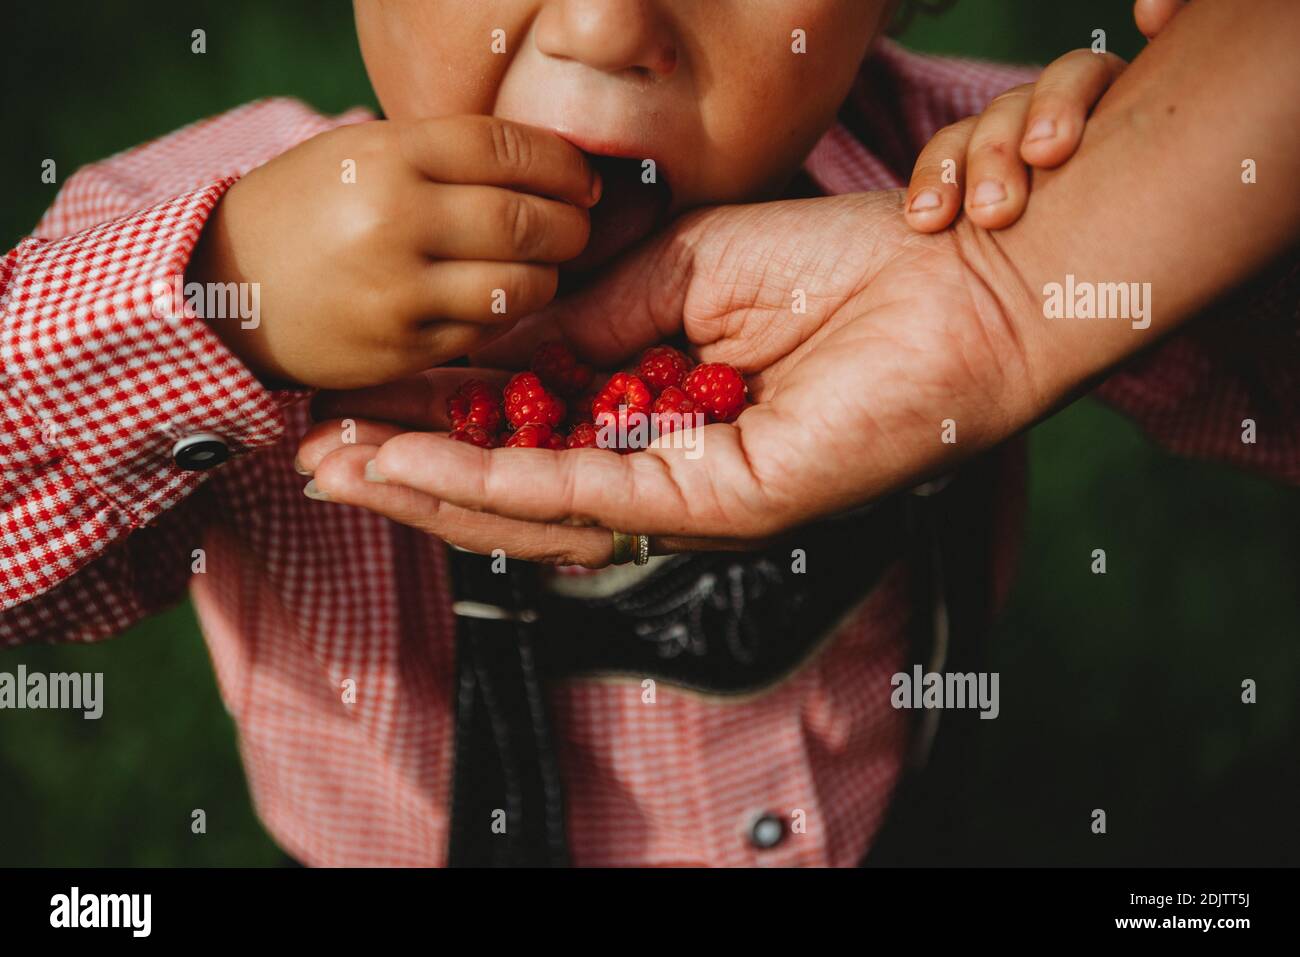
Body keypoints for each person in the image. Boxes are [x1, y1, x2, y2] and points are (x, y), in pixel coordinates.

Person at [2, 0, 1291, 866]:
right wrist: (224, 307)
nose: (609, 20)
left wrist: (1122, 229)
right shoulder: (194, 242)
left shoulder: (970, 187)